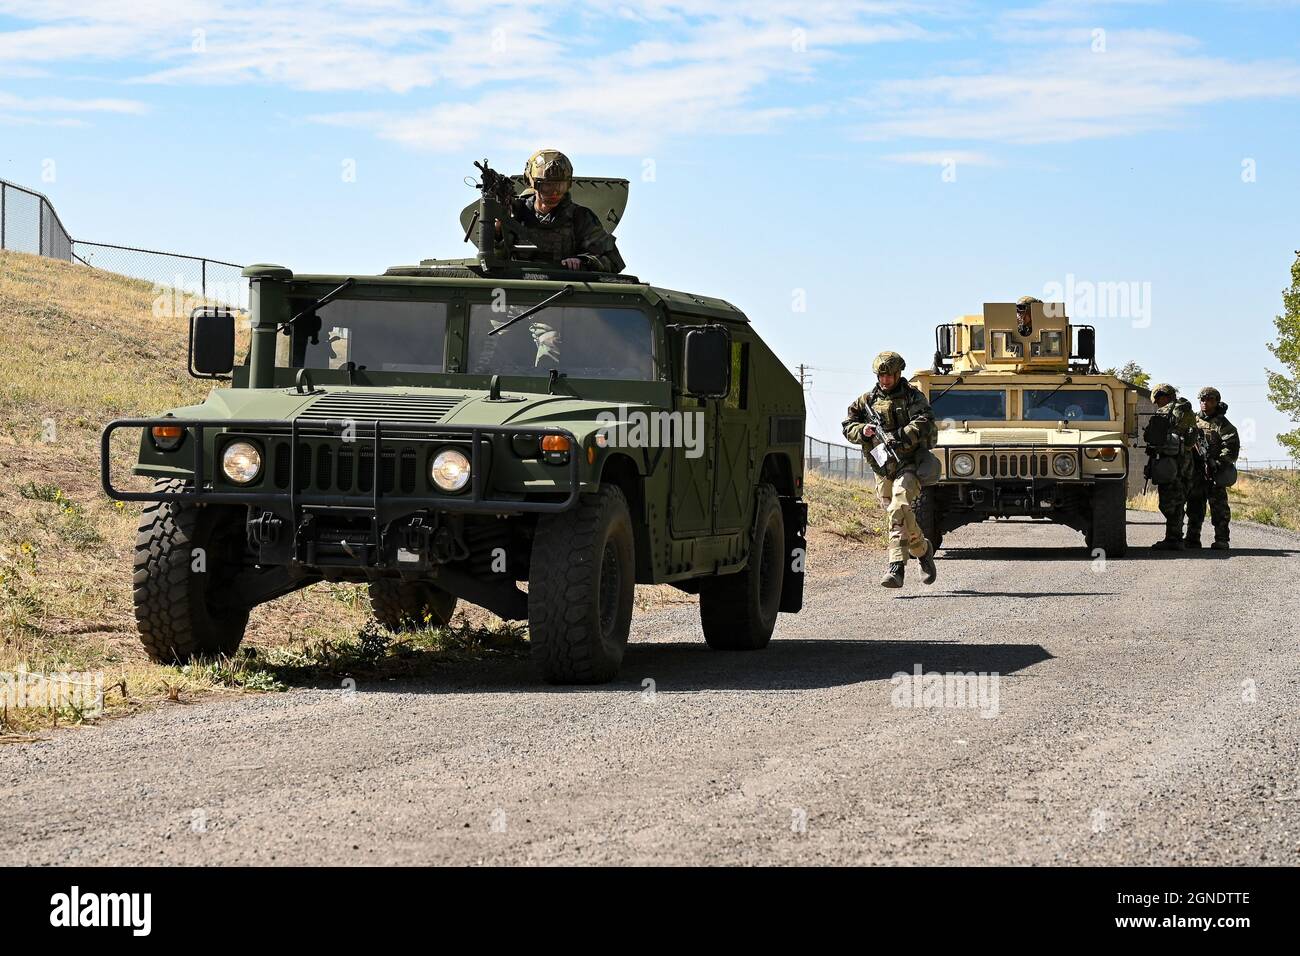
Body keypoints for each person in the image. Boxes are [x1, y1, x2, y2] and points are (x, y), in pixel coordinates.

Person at [843, 351, 939, 588]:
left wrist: (899, 436)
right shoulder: (866, 401)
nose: (885, 380)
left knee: (899, 506)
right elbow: (848, 426)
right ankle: (923, 550)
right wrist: (863, 430)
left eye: (889, 376)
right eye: (881, 376)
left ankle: (896, 567)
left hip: (909, 463)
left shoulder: (913, 397)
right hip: (882, 467)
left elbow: (925, 421)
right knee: (899, 515)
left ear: (898, 374)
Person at [497, 149, 625, 273]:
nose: (554, 193)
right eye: (547, 186)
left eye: (560, 186)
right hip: (520, 288)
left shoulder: (580, 217)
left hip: (567, 290)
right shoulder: (515, 213)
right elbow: (494, 259)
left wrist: (583, 262)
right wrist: (496, 232)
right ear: (532, 183)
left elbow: (613, 260)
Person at [1186, 386, 1240, 551]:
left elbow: (1231, 447)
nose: (1205, 403)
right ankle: (1192, 539)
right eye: (1202, 400)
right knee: (1194, 506)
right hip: (1196, 471)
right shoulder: (1193, 420)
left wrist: (1218, 461)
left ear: (1216, 402)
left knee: (1219, 508)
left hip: (1215, 470)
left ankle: (1222, 539)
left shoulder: (1223, 424)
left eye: (1209, 400)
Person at [1143, 383, 1197, 550]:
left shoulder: (1164, 412)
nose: (1157, 404)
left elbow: (1150, 436)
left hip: (1169, 464)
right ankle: (1178, 537)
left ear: (1162, 396)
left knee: (1168, 502)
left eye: (1157, 400)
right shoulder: (1187, 411)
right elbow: (1191, 438)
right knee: (1179, 500)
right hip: (1186, 464)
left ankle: (1173, 539)